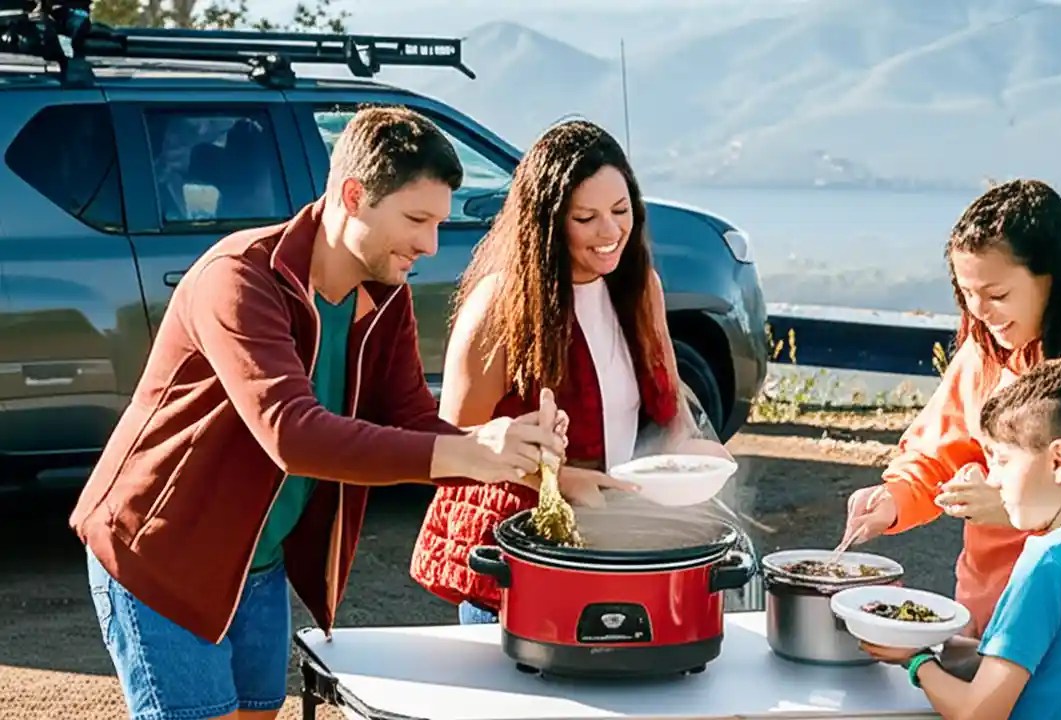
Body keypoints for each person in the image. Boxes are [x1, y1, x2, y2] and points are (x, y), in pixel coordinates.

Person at [70, 106, 567, 720]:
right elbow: (291, 432)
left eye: (438, 223)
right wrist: (470, 451)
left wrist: (509, 453)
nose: (430, 245)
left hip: (258, 561)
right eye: (416, 219)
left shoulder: (386, 298)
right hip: (161, 556)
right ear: (353, 196)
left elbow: (412, 421)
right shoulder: (240, 278)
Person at [843, 178, 1061, 636]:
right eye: (967, 295)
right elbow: (935, 458)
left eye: (997, 295)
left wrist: (1028, 515)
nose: (980, 314)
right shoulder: (981, 359)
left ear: (1052, 277)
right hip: (986, 622)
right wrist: (892, 500)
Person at [410, 119, 732, 624]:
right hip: (518, 564)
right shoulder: (499, 305)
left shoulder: (640, 287)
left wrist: (691, 450)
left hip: (613, 551)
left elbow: (670, 413)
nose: (611, 233)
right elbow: (450, 450)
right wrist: (554, 480)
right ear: (548, 221)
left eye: (621, 212)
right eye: (587, 217)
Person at [860, 354, 1061, 720]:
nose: (993, 479)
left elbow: (976, 712)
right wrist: (936, 644)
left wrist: (916, 661)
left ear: (1059, 461)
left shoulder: (1047, 562)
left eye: (1001, 460)